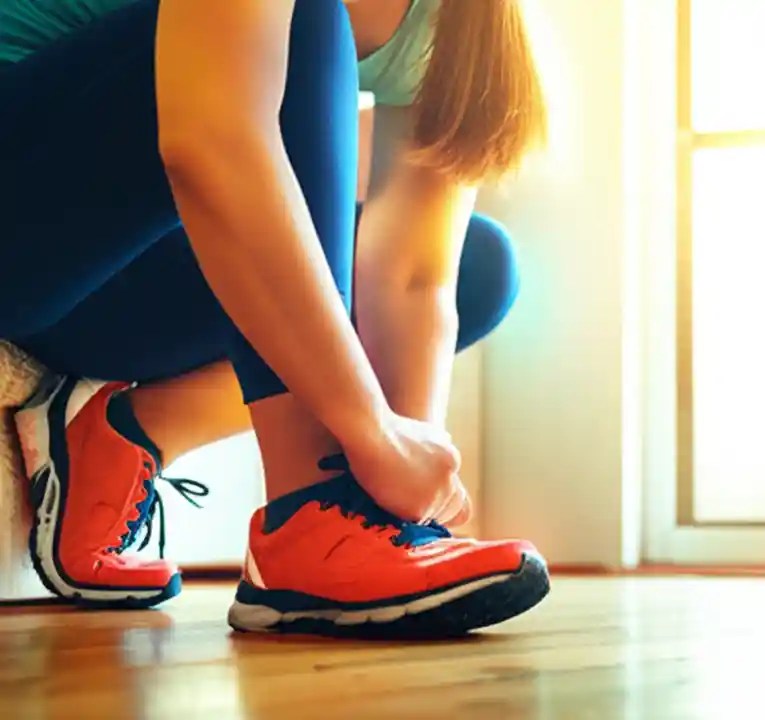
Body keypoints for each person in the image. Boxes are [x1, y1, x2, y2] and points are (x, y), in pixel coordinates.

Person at [0, 0, 549, 638]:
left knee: (481, 266)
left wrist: (393, 501)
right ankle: (307, 518)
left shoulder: (459, 21)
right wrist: (368, 430)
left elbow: (412, 278)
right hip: (26, 221)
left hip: (110, 278)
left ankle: (126, 437)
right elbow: (212, 142)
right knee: (304, 18)